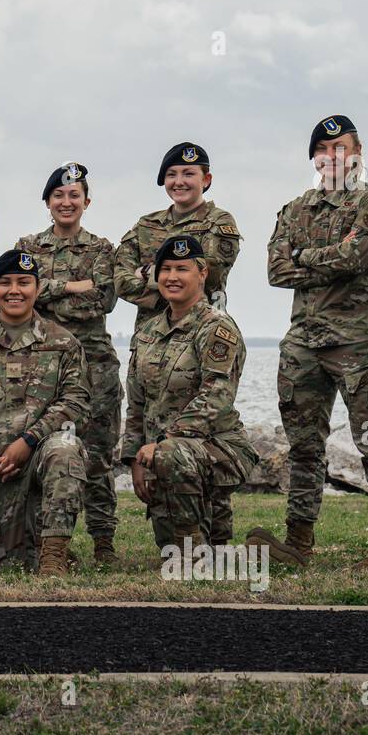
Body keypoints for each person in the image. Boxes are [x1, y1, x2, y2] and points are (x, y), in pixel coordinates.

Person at [250, 116, 368, 569]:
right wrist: (326, 258)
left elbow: (358, 256)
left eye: (341, 147)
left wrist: (304, 256)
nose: (333, 156)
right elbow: (276, 272)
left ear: (358, 152)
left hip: (357, 342)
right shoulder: (294, 209)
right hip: (303, 342)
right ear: (314, 159)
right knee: (303, 446)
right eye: (324, 148)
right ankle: (298, 543)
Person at [114, 142, 241, 544]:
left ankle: (208, 538)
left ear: (206, 179)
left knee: (184, 444)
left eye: (189, 174)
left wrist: (148, 273)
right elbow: (119, 279)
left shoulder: (221, 222)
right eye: (172, 175)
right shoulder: (145, 224)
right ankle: (198, 537)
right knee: (170, 541)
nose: (180, 181)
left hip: (195, 340)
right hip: (156, 336)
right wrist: (136, 456)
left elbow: (216, 272)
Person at [0, 249, 90, 575]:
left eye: (24, 282)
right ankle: (37, 549)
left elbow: (76, 403)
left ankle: (54, 558)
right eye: (5, 282)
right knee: (7, 564)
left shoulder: (63, 343)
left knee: (64, 449)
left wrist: (29, 441)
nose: (14, 290)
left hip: (41, 457)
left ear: (37, 289)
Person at [119, 236, 257, 554]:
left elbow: (216, 395)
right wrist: (135, 458)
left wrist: (165, 442)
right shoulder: (147, 333)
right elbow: (137, 404)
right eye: (165, 269)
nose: (172, 277)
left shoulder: (215, 328)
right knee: (168, 542)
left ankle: (194, 553)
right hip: (165, 454)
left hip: (220, 448)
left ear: (202, 273)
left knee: (173, 457)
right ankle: (209, 539)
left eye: (182, 269)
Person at [14, 163, 121, 565]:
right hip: (41, 366)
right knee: (46, 450)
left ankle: (103, 543)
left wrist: (48, 290)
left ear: (86, 202)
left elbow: (104, 299)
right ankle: (51, 543)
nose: (66, 202)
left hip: (95, 366)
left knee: (97, 457)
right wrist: (72, 286)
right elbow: (23, 296)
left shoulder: (102, 249)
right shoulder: (27, 247)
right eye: (58, 195)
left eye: (74, 195)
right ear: (47, 202)